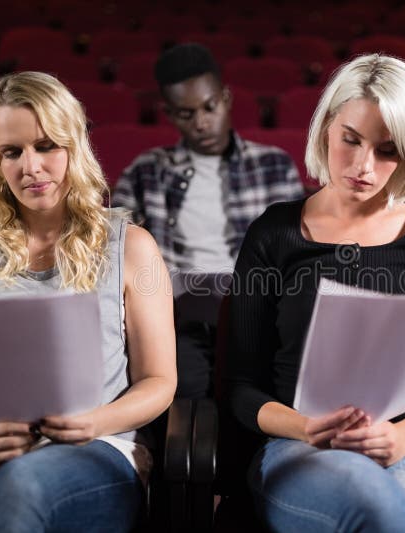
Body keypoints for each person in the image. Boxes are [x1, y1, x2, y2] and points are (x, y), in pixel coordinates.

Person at [226, 54, 405, 533]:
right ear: (327, 127)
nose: (363, 166)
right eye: (350, 139)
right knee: (380, 514)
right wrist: (304, 428)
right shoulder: (275, 233)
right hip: (302, 443)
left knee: (400, 517)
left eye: (387, 150)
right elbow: (242, 387)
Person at [0, 71, 177, 533]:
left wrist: (94, 422)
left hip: (95, 445)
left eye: (45, 145)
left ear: (73, 146)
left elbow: (160, 381)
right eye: (12, 152)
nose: (30, 167)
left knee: (25, 484)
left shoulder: (134, 247)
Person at [112, 43, 305, 400]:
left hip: (253, 306)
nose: (201, 123)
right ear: (169, 114)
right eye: (186, 114)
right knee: (181, 386)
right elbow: (115, 249)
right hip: (175, 312)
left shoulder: (272, 165)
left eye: (209, 108)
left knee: (263, 385)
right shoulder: (146, 171)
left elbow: (295, 250)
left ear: (226, 99)